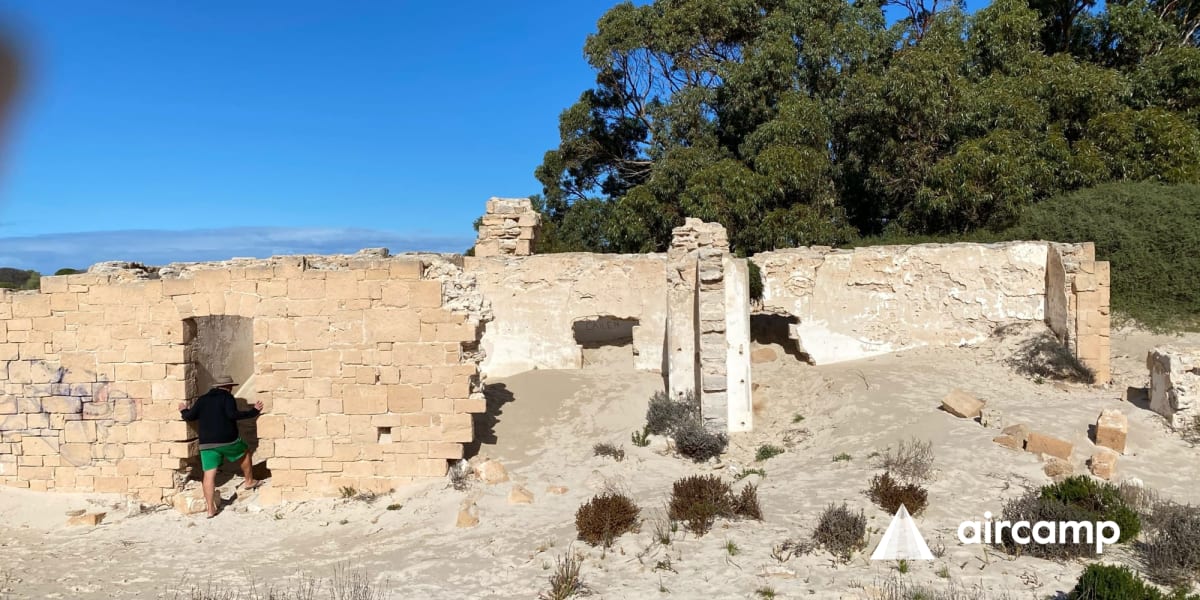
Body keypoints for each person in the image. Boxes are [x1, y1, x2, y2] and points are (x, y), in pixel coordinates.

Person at [178, 375, 264, 517]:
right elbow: (232, 414)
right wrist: (254, 411)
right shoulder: (227, 398)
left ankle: (210, 509)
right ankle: (249, 481)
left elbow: (190, 416)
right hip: (228, 440)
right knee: (244, 453)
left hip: (206, 443)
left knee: (209, 474)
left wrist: (183, 410)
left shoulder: (202, 399)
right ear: (229, 387)